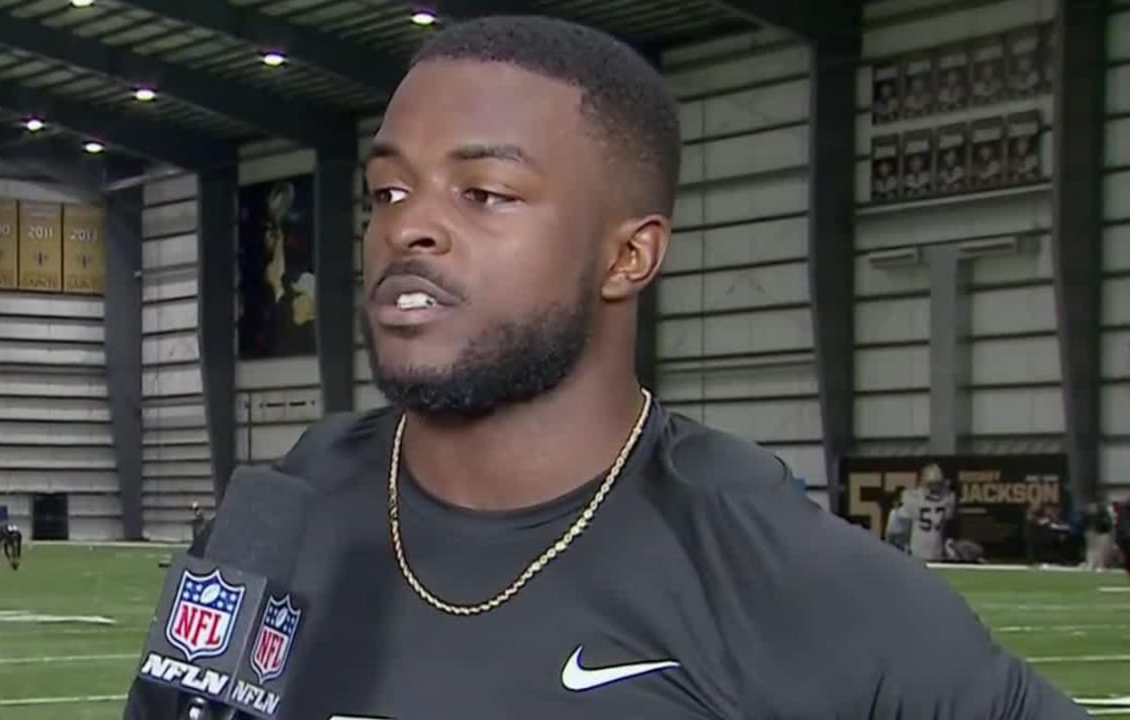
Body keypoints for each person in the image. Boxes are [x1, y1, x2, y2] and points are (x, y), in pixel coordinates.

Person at [126, 15, 1084, 718]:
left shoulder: (768, 568)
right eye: (388, 187)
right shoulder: (275, 520)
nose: (406, 224)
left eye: (486, 191)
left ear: (629, 257)